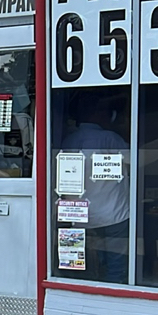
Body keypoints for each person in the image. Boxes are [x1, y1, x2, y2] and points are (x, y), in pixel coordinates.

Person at [61, 90, 130, 283]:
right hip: (113, 213)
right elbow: (136, 161)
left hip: (79, 215)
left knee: (81, 263)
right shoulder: (110, 138)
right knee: (116, 265)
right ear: (98, 114)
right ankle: (113, 289)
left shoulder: (68, 141)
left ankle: (84, 286)